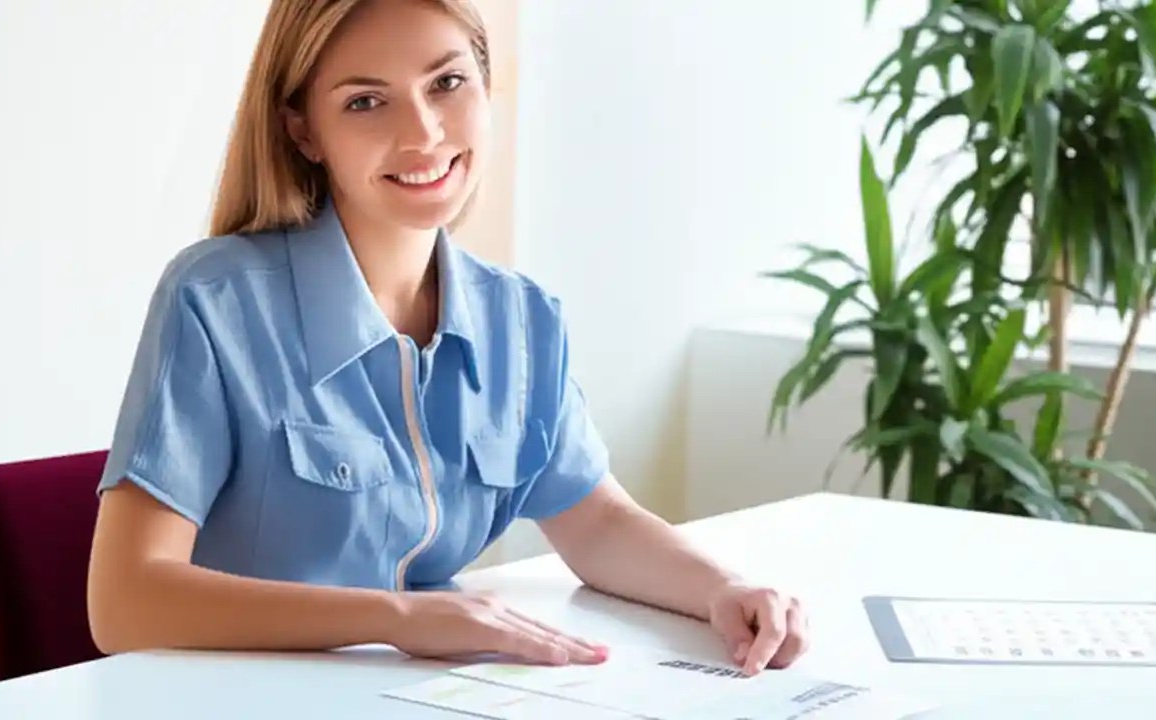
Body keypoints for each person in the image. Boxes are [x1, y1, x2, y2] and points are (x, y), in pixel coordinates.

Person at [87, 0, 809, 676]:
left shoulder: (520, 319)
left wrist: (722, 588)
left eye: (447, 83)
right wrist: (397, 618)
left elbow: (597, 520)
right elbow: (124, 604)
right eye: (365, 101)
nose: (424, 134)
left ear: (486, 86)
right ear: (303, 130)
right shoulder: (217, 303)